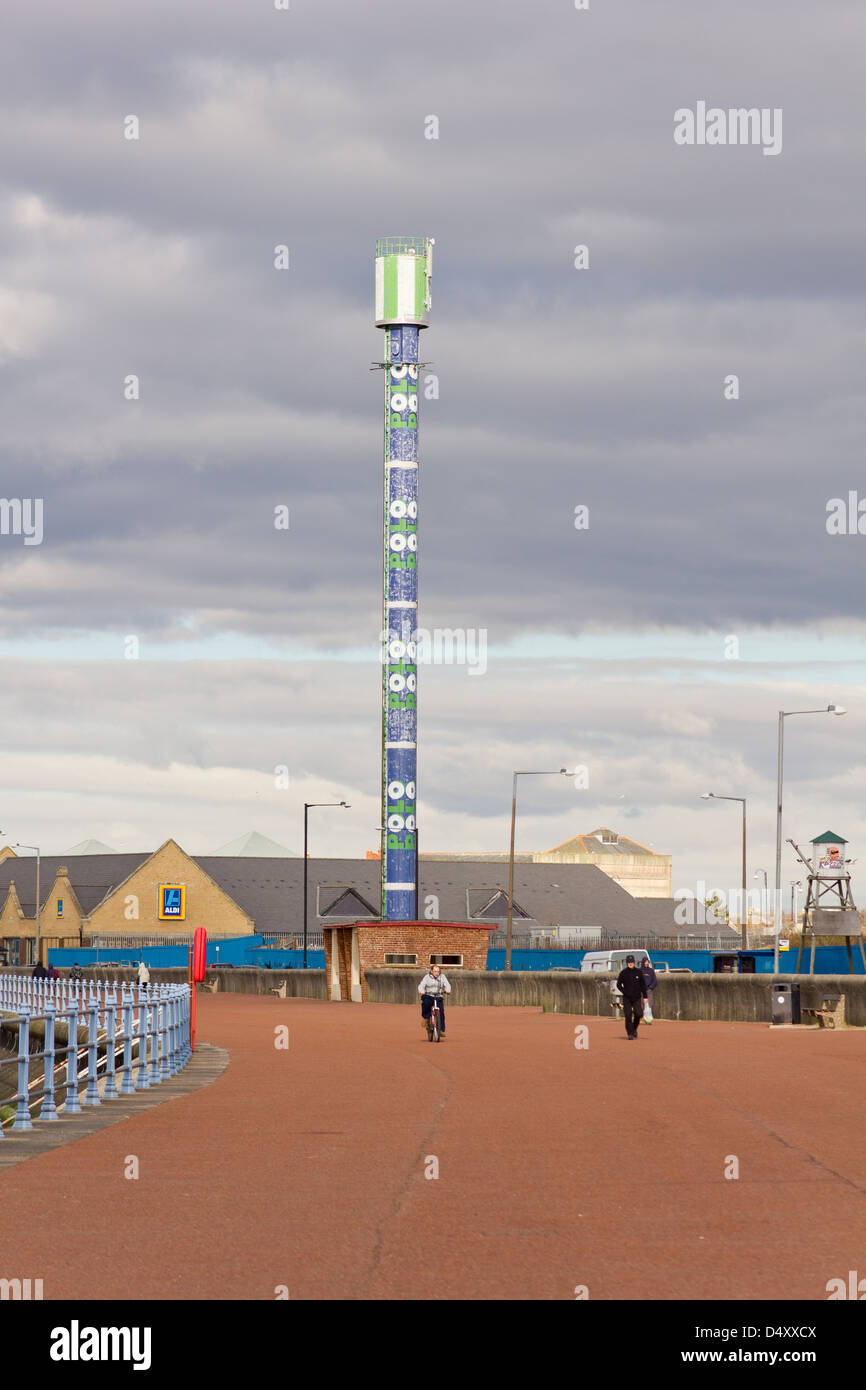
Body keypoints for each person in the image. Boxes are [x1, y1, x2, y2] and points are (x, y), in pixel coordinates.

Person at [616, 954, 647, 1040]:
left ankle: (634, 1029)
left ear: (634, 962)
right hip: (627, 998)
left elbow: (643, 985)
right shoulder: (623, 973)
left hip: (637, 997)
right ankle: (630, 1033)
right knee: (628, 1015)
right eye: (629, 962)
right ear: (627, 963)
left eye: (632, 962)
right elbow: (618, 985)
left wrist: (645, 996)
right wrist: (624, 992)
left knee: (639, 1014)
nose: (630, 963)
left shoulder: (639, 972)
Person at [418, 963, 451, 1036]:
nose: (437, 973)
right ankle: (426, 1018)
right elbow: (421, 985)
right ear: (431, 971)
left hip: (438, 995)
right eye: (435, 971)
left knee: (441, 1012)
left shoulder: (442, 977)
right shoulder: (427, 977)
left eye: (438, 971)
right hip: (429, 995)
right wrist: (422, 991)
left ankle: (441, 1030)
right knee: (426, 1003)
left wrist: (448, 990)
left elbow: (447, 984)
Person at [640, 957, 658, 1022]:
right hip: (641, 990)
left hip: (648, 990)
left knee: (649, 1004)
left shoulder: (651, 971)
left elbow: (655, 981)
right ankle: (641, 1017)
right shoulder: (639, 971)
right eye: (646, 962)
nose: (647, 963)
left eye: (648, 962)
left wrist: (650, 987)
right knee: (641, 1004)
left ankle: (648, 1019)